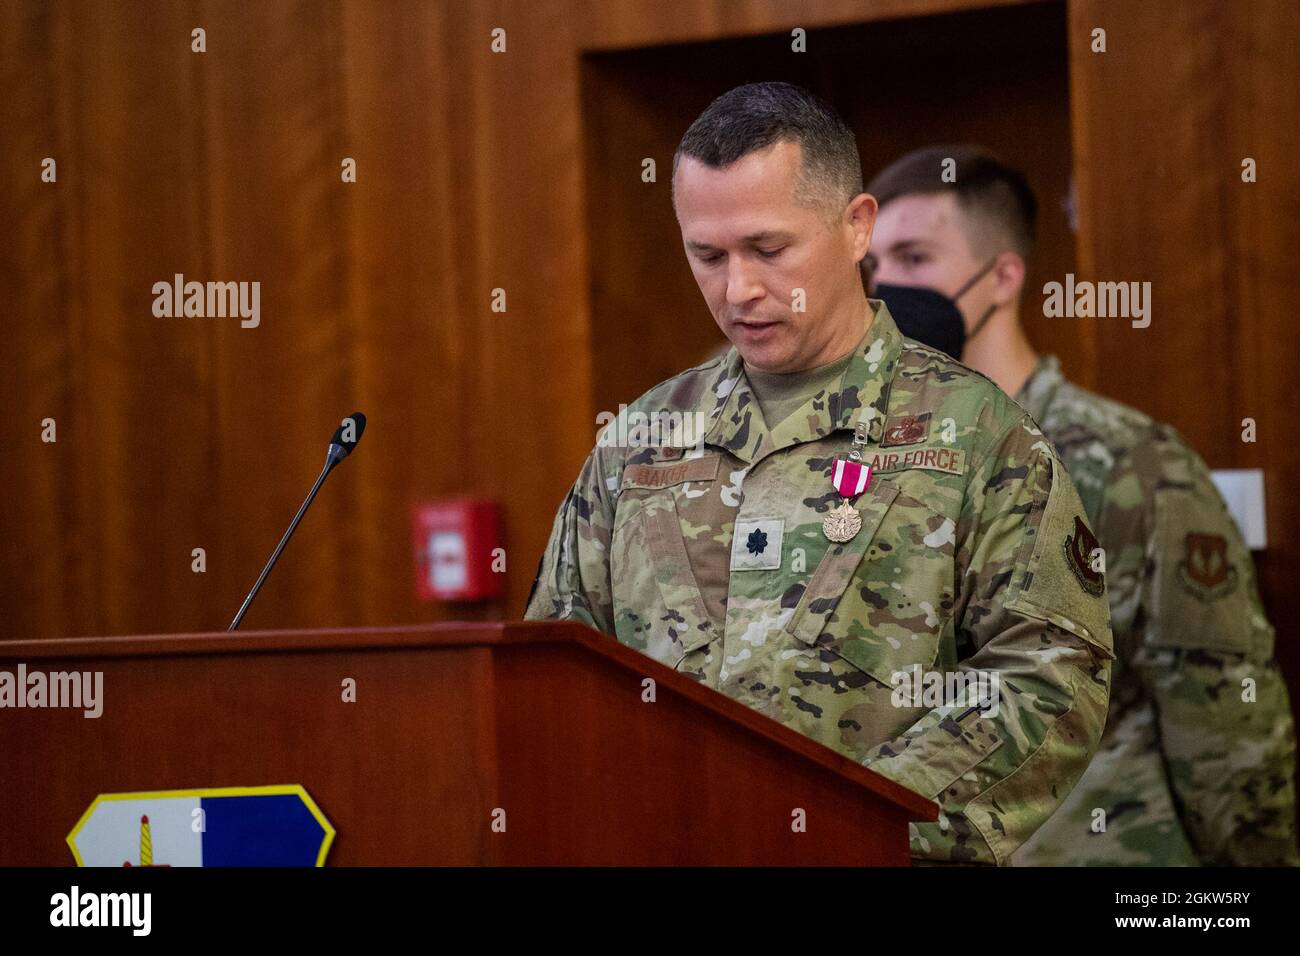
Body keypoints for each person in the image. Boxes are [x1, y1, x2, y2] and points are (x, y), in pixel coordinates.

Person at [526, 83, 1114, 865]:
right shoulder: (640, 443)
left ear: (856, 226)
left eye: (769, 250)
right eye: (708, 256)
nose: (739, 289)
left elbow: (1048, 674)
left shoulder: (976, 434)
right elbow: (555, 676)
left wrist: (862, 828)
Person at [865, 143, 1299, 865]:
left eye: (914, 259)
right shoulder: (873, 462)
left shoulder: (1130, 465)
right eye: (873, 268)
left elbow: (1223, 719)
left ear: (1002, 276)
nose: (885, 290)